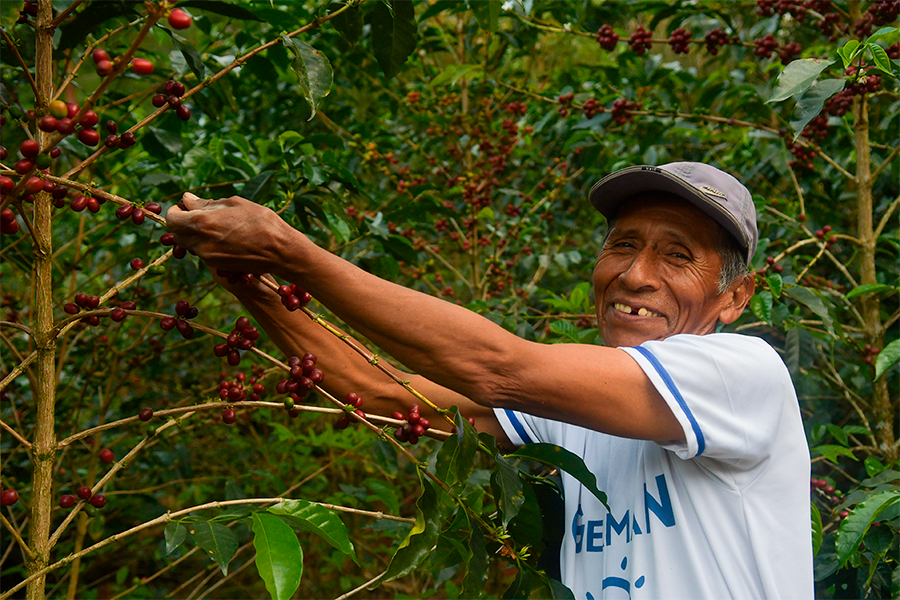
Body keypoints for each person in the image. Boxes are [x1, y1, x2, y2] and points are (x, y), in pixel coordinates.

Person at [167, 161, 813, 599]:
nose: (636, 275)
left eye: (678, 255)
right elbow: (388, 396)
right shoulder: (572, 406)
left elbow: (500, 367)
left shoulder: (740, 372)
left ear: (734, 298)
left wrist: (290, 251)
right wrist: (247, 277)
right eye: (622, 244)